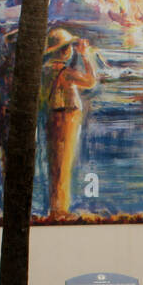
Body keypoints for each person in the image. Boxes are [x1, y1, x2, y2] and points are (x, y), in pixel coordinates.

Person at [40, 27, 98, 219]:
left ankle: (57, 208)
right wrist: (85, 56)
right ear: (64, 50)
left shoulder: (46, 70)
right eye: (70, 47)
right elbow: (90, 81)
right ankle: (60, 211)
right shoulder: (64, 73)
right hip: (66, 118)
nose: (72, 49)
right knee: (63, 165)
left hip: (53, 116)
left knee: (56, 165)